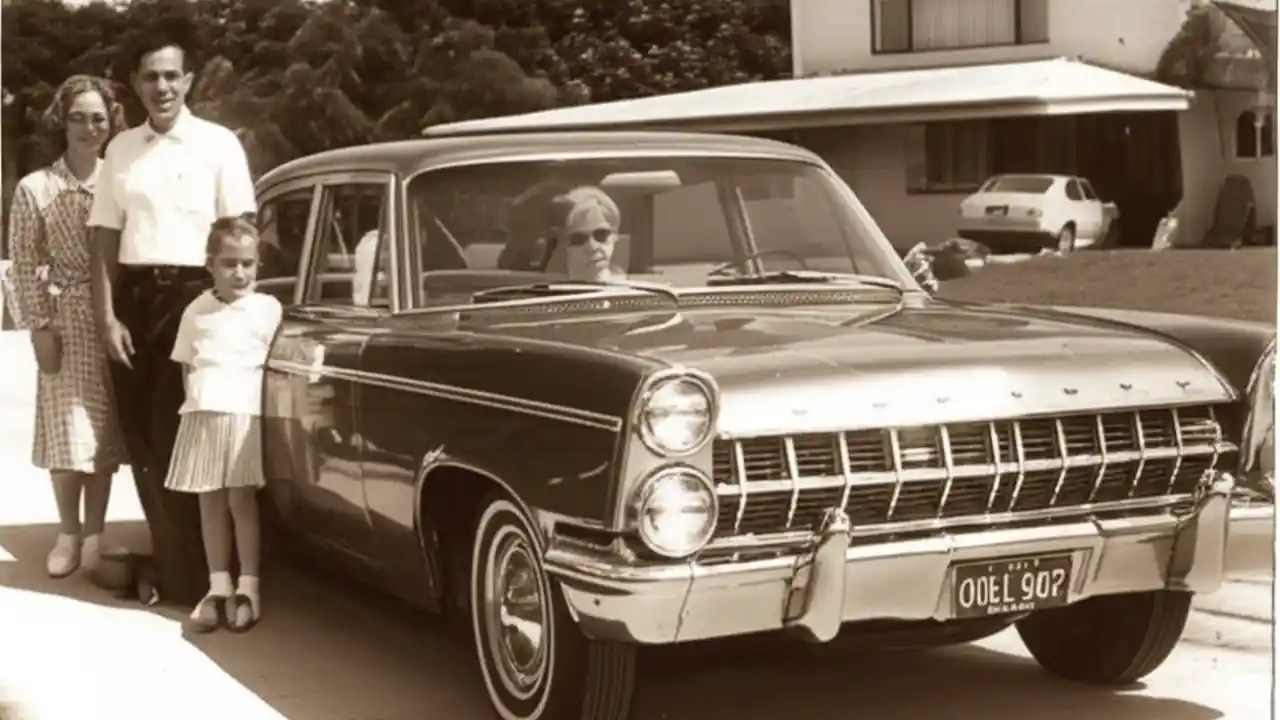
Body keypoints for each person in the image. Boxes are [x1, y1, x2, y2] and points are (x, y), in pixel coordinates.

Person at [88, 28, 257, 606]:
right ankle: (173, 569)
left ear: (188, 82)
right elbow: (104, 242)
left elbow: (240, 237)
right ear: (134, 85)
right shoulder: (120, 151)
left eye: (171, 76)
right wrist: (107, 317)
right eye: (149, 77)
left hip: (196, 297)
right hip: (136, 300)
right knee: (145, 444)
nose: (161, 87)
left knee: (187, 436)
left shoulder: (219, 145)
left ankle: (192, 576)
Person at [6, 75, 130, 578]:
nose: (87, 126)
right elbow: (21, 260)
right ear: (62, 118)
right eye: (78, 116)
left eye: (97, 118)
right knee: (65, 434)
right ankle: (68, 533)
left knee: (102, 435)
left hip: (113, 317)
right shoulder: (37, 188)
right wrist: (38, 326)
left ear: (111, 122)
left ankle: (97, 535)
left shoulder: (119, 182)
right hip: (62, 315)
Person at [164, 217, 281, 632]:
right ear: (210, 265)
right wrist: (198, 405)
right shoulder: (197, 310)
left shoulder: (267, 310)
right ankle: (218, 586)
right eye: (229, 263)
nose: (240, 273)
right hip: (203, 414)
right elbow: (187, 367)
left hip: (243, 415)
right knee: (209, 504)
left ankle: (249, 587)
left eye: (248, 263)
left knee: (241, 502)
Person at [559, 186, 623, 282]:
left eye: (601, 235)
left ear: (615, 237)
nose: (592, 247)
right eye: (579, 239)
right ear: (563, 245)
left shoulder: (634, 290)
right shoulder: (548, 293)